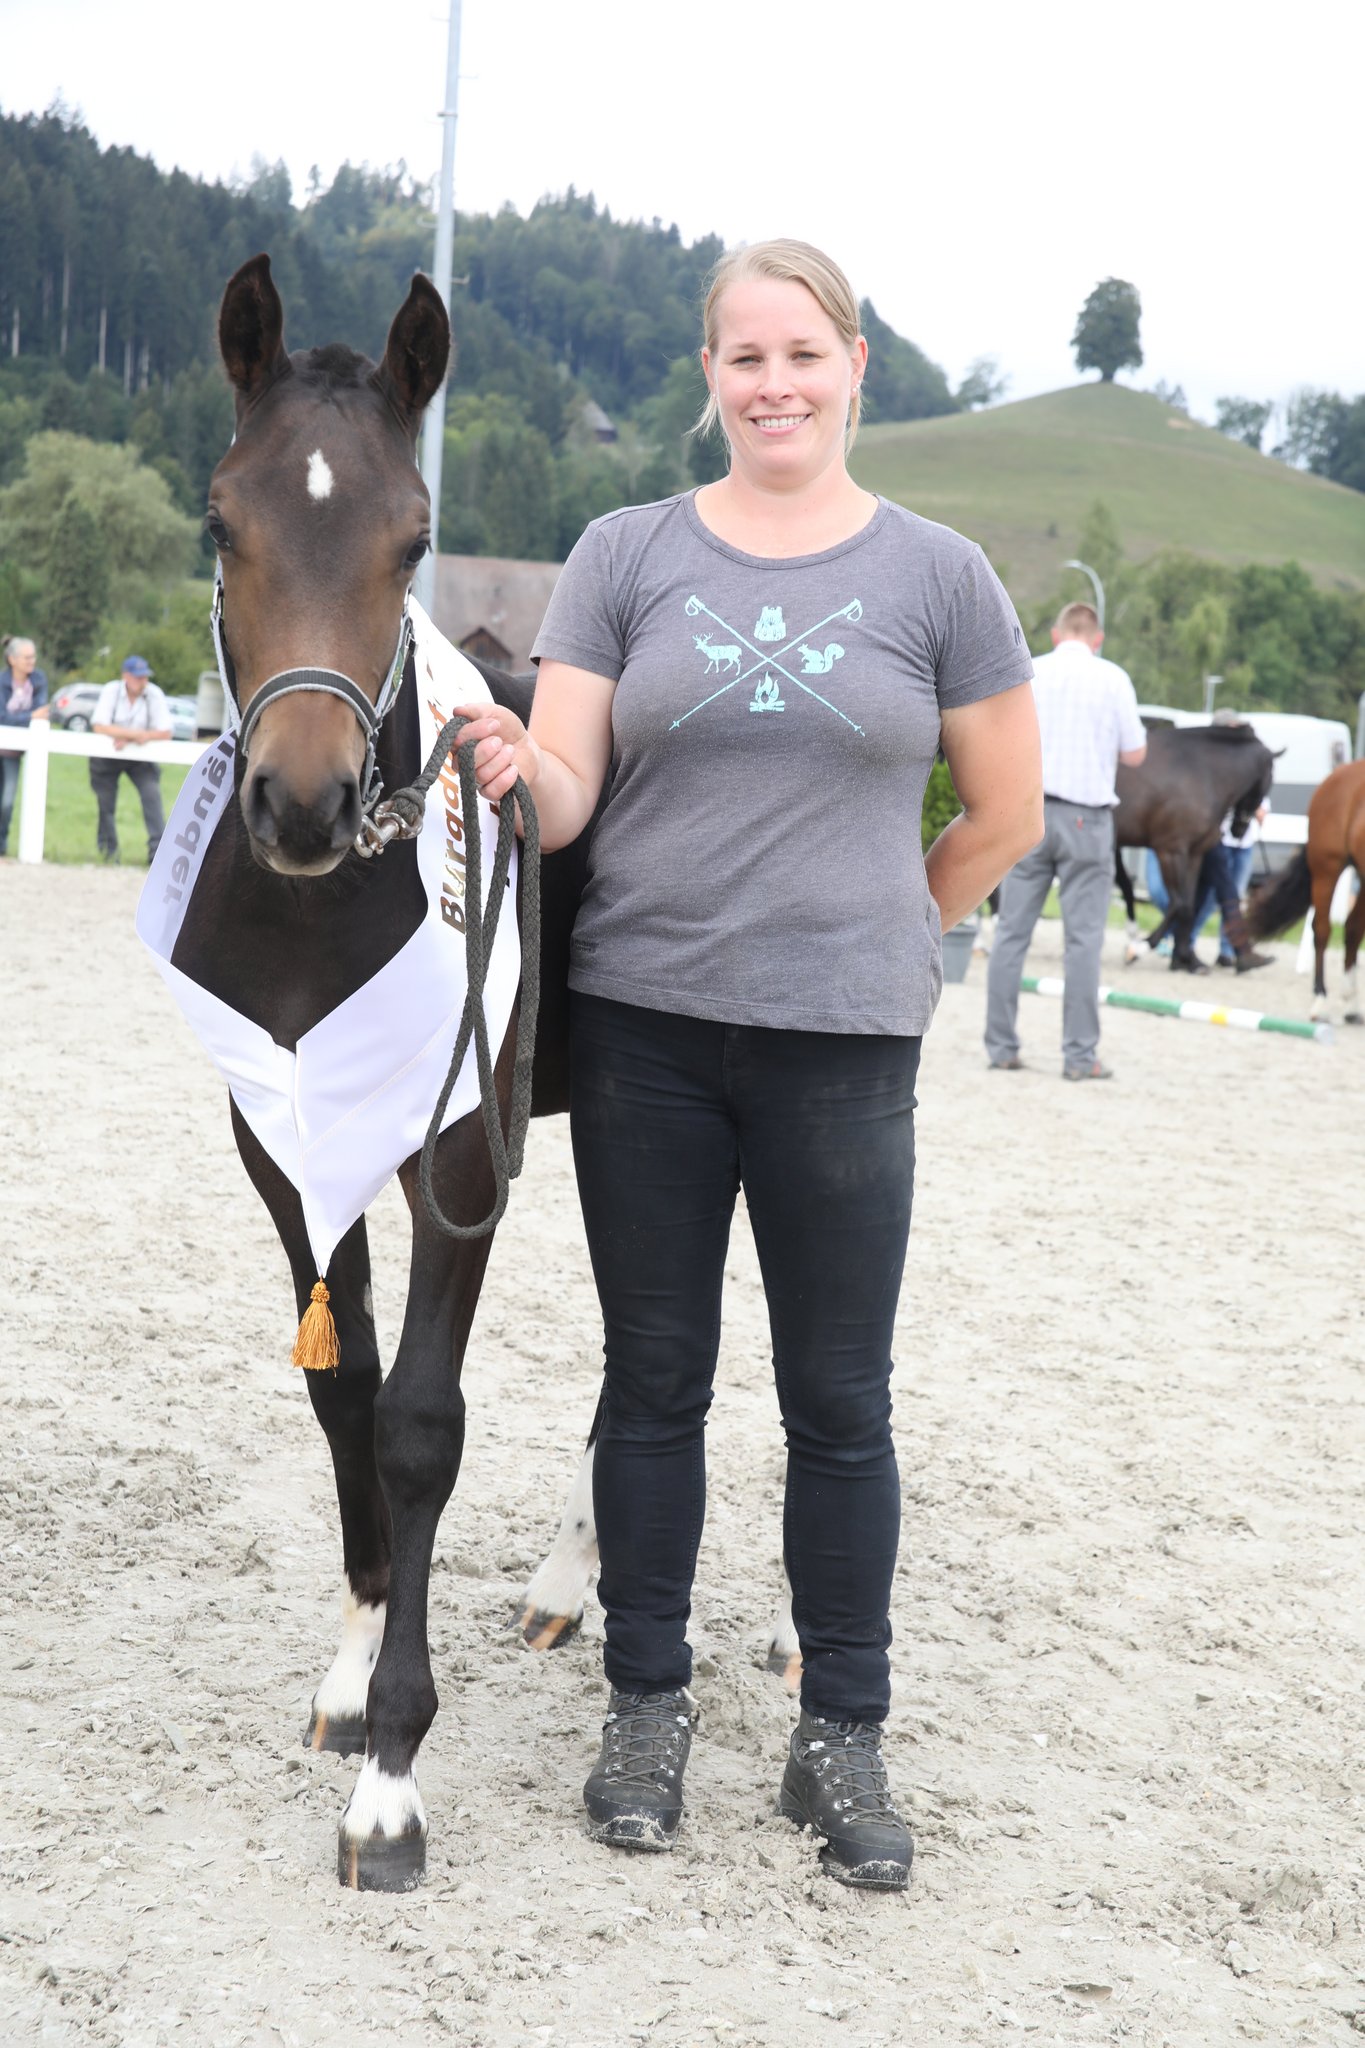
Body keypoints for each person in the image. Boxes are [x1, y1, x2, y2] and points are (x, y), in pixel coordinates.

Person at [453, 239, 1042, 1890]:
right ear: (707, 376)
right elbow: (567, 792)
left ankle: (838, 1733)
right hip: (645, 1030)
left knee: (840, 1401)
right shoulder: (626, 553)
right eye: (742, 356)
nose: (773, 382)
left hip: (846, 1050)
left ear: (858, 366)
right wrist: (515, 757)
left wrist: (884, 926)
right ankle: (646, 1706)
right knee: (652, 1379)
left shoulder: (941, 576)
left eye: (803, 351)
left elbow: (1001, 812)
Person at [984, 602, 1146, 1080]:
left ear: (1056, 635)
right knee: (1083, 941)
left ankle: (1001, 1046)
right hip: (1087, 820)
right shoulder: (1113, 679)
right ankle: (1078, 1056)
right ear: (1097, 639)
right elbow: (1135, 754)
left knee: (1011, 934)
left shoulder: (1029, 671)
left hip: (1030, 815)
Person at [90, 655, 172, 863]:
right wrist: (137, 735)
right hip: (108, 756)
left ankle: (157, 854)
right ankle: (109, 851)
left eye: (144, 677)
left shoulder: (154, 694)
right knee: (105, 802)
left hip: (140, 758)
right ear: (125, 676)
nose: (142, 681)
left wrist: (126, 737)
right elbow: (99, 725)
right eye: (138, 677)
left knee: (151, 795)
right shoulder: (111, 690)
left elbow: (165, 732)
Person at [0, 636, 49, 856]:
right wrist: (29, 716)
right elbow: (2, 718)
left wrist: (23, 717)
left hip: (13, 753)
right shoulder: (2, 681)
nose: (32, 661)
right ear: (12, 659)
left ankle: (1, 847)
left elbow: (43, 715)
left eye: (33, 656)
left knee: (7, 802)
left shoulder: (38, 680)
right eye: (27, 657)